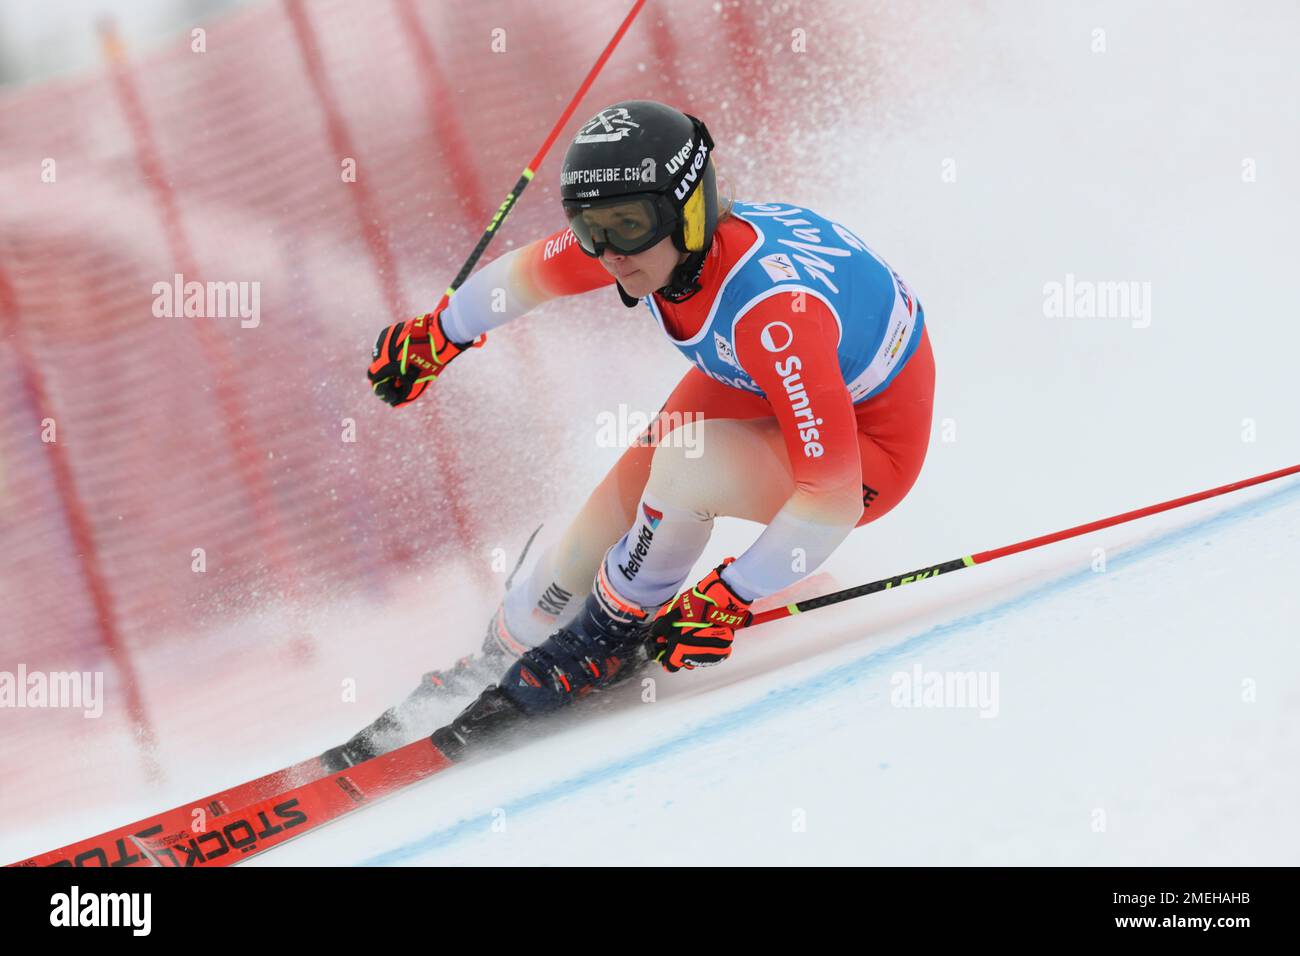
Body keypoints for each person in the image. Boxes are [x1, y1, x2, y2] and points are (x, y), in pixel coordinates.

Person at [331, 99, 935, 765]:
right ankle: (506, 647)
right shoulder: (654, 242)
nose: (609, 252)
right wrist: (439, 336)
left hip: (870, 443)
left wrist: (731, 596)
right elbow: (529, 276)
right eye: (590, 230)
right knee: (612, 508)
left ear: (689, 210)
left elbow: (833, 500)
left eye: (626, 226)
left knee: (684, 467)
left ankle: (603, 640)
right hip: (754, 379)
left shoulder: (772, 314)